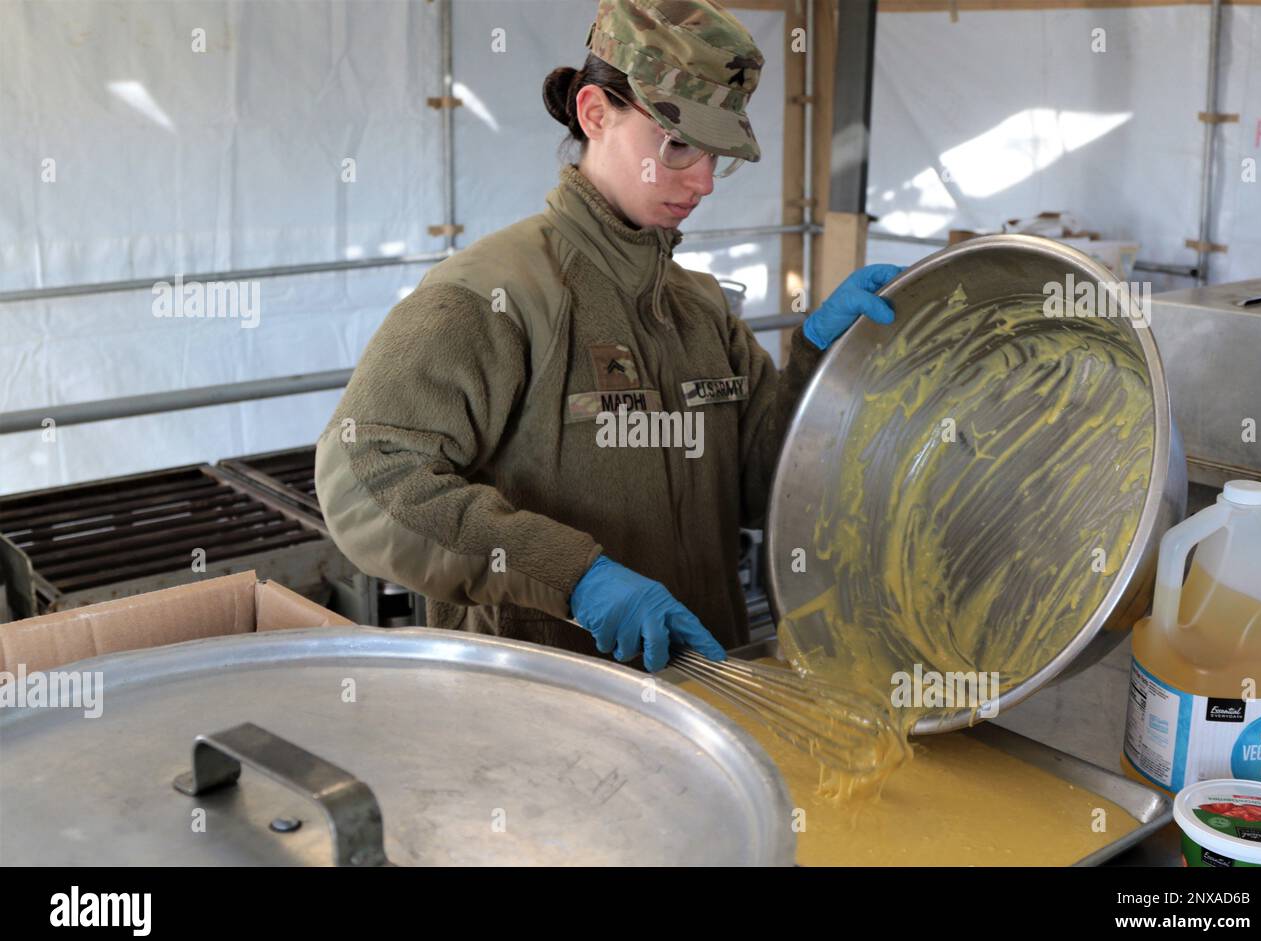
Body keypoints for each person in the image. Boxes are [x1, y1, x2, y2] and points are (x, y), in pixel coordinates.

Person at [314, 0, 901, 672]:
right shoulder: (493, 296)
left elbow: (769, 486)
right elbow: (364, 475)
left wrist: (820, 369)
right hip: (546, 705)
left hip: (705, 689)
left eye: (719, 156)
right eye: (679, 144)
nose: (705, 181)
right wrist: (574, 575)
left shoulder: (699, 307)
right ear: (595, 113)